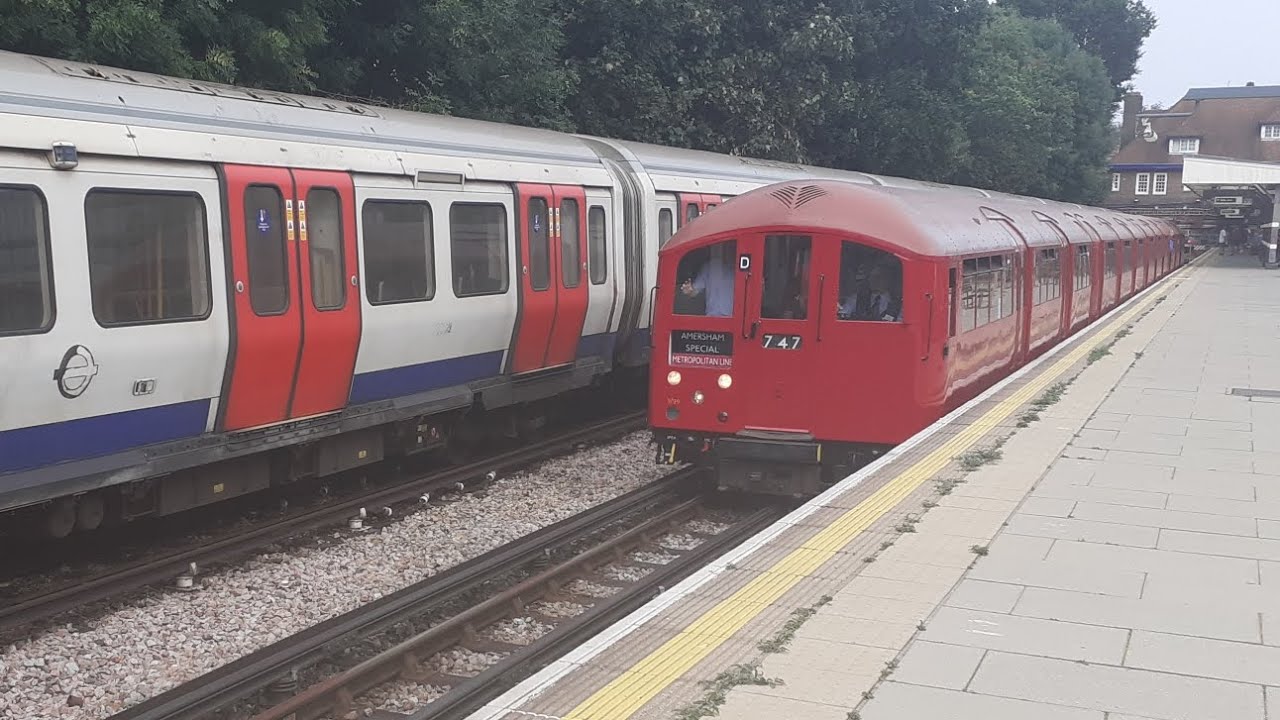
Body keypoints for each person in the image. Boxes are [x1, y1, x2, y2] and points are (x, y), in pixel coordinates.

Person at [681, 246, 735, 317]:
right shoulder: (709, 266)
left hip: (735, 320)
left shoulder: (742, 268)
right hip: (712, 318)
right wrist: (689, 290)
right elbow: (694, 291)